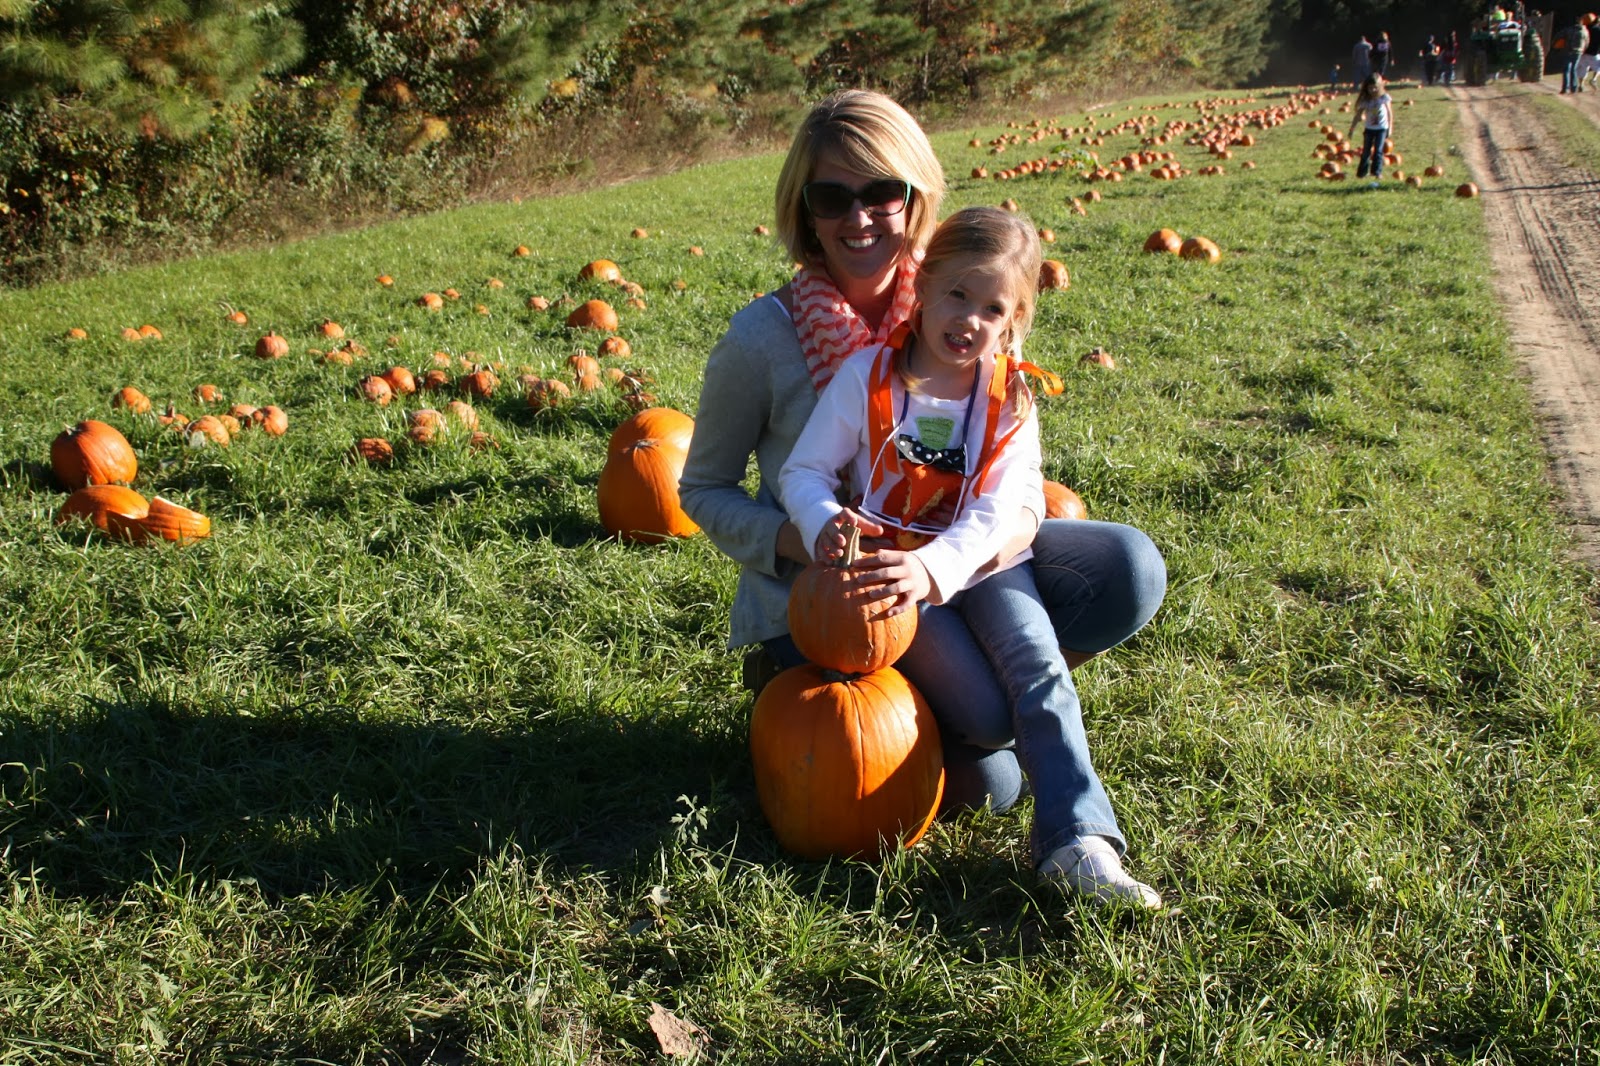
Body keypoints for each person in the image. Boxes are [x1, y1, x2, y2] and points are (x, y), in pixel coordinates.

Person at [679, 90, 1168, 902]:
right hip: (835, 599)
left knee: (1128, 566)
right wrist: (806, 539)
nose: (860, 217)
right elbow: (701, 489)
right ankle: (964, 715)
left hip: (955, 559)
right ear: (803, 207)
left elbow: (1014, 492)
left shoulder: (960, 306)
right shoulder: (764, 340)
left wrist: (977, 548)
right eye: (833, 196)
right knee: (991, 785)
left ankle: (1045, 789)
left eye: (883, 194)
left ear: (916, 201)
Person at [777, 205, 1161, 908]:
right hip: (889, 578)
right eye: (958, 295)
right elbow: (802, 472)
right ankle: (939, 743)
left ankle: (1078, 841)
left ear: (1013, 320)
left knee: (1038, 668)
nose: (970, 321)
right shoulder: (868, 376)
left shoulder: (1007, 394)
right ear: (922, 287)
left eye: (993, 308)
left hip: (981, 566)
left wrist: (938, 568)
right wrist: (823, 519)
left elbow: (1002, 510)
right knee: (988, 716)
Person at [1348, 74, 1395, 188]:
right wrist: (1352, 129)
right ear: (1366, 88)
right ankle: (1362, 173)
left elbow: (1389, 113)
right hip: (1369, 129)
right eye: (1370, 88)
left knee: (1378, 151)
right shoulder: (1366, 100)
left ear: (1379, 86)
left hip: (1382, 129)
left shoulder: (1384, 97)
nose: (1372, 90)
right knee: (1366, 152)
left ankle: (1377, 172)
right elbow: (1358, 115)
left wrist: (1390, 127)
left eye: (1375, 87)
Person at [1557, 12, 1592, 92]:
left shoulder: (1569, 30)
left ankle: (1565, 88)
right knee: (1574, 69)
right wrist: (1583, 50)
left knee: (1566, 69)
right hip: (1578, 52)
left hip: (1568, 50)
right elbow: (1587, 42)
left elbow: (1559, 36)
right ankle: (1574, 87)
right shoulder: (1585, 31)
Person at [1581, 14, 1600, 89]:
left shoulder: (1585, 28)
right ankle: (1594, 79)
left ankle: (1581, 85)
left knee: (1583, 69)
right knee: (1598, 67)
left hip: (1583, 52)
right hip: (1594, 53)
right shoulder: (1598, 30)